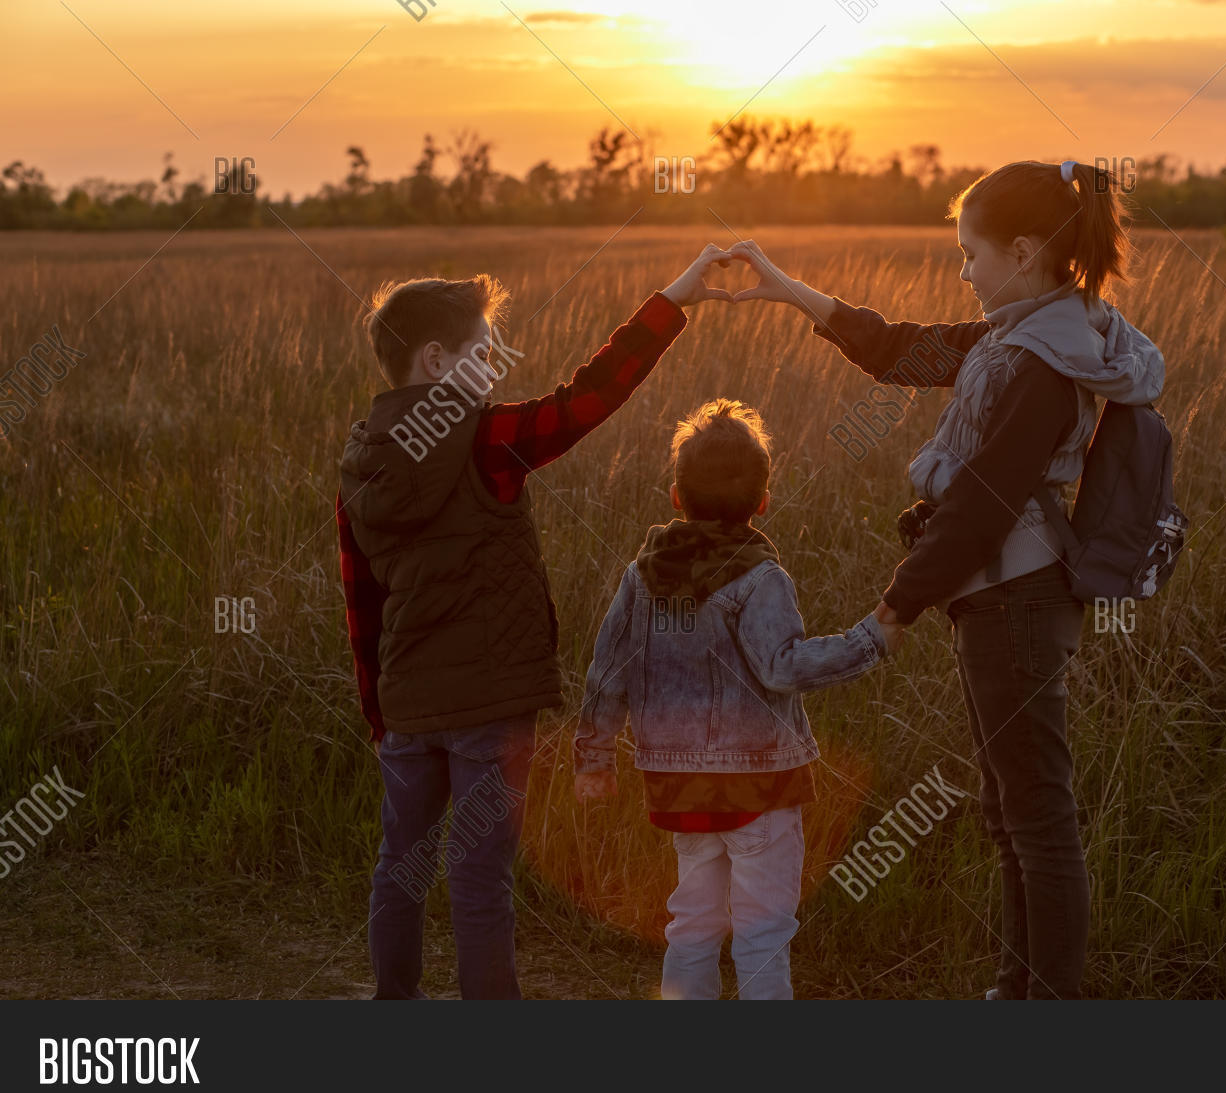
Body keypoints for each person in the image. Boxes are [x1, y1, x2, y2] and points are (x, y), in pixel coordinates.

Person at [729, 160, 1166, 998]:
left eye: (971, 253)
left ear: (1026, 250)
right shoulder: (1017, 333)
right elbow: (900, 350)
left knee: (1037, 817)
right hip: (996, 597)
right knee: (1011, 811)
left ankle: (1051, 1001)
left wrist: (898, 604)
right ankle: (1017, 987)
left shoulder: (1041, 358)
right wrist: (788, 291)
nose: (962, 271)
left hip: (1017, 598)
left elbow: (983, 505)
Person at [335, 245, 736, 998]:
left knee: (400, 864)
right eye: (481, 353)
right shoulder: (486, 440)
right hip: (492, 705)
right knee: (480, 880)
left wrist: (379, 711)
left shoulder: (362, 459)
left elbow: (361, 598)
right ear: (434, 359)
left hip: (408, 706)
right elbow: (589, 397)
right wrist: (673, 303)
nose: (494, 366)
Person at [573, 398, 904, 999]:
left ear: (676, 497)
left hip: (679, 786)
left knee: (692, 924)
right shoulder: (760, 578)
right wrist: (869, 639)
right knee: (762, 930)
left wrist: (594, 760)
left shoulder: (641, 576)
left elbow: (607, 669)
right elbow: (782, 668)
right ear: (763, 503)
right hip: (761, 787)